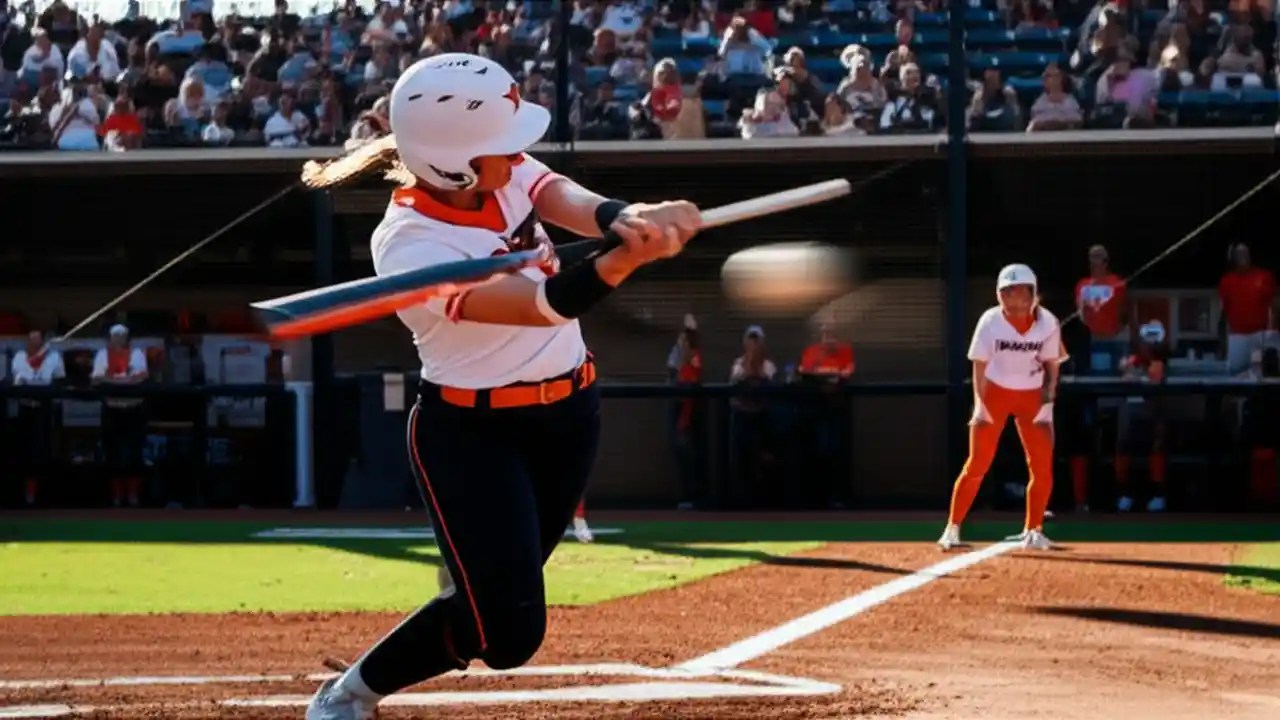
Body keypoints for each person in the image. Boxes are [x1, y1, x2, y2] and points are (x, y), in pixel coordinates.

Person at [306, 53, 700, 720]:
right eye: (501, 142)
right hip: (471, 436)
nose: (517, 152)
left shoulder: (503, 171)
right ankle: (348, 695)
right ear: (449, 161)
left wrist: (622, 216)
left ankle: (386, 664)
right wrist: (624, 259)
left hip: (570, 415)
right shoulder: (407, 244)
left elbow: (556, 193)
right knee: (511, 635)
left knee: (494, 607)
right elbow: (537, 302)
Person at [939, 264, 1063, 551]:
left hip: (1032, 395)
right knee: (977, 464)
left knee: (1042, 466)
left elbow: (1051, 367)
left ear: (1033, 294)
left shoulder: (1049, 324)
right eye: (1008, 293)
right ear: (998, 295)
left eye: (1021, 293)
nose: (1015, 300)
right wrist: (980, 405)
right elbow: (978, 366)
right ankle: (952, 528)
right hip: (995, 392)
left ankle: (1034, 529)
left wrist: (1048, 404)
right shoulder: (990, 321)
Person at [91, 324, 150, 508]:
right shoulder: (102, 354)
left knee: (134, 452)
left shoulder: (137, 353)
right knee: (112, 452)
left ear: (127, 338)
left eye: (122, 335)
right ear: (110, 338)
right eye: (115, 335)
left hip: (133, 409)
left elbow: (140, 377)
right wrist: (125, 381)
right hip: (112, 409)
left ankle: (133, 495)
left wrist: (114, 380)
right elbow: (97, 378)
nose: (118, 339)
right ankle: (116, 496)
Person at [1115, 321, 1170, 513]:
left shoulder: (1161, 363)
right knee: (1122, 448)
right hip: (1130, 413)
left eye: (1154, 345)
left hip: (1152, 412)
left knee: (1157, 446)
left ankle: (1158, 494)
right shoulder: (1130, 360)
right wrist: (1132, 369)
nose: (1150, 348)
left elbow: (1156, 375)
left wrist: (1144, 374)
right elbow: (1124, 369)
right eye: (1147, 344)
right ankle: (1124, 493)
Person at [10, 330, 66, 507]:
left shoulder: (54, 357)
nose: (34, 343)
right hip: (25, 409)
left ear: (43, 341)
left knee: (43, 451)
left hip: (45, 410)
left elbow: (58, 379)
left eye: (37, 340)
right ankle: (23, 496)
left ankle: (44, 496)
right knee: (24, 453)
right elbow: (18, 379)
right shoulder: (20, 356)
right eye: (31, 340)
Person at [1218, 243, 1276, 374]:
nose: (1243, 256)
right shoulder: (1226, 281)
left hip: (1260, 335)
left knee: (1262, 373)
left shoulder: (1264, 277)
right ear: (1233, 258)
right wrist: (1222, 344)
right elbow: (1223, 313)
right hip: (1237, 336)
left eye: (1245, 253)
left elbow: (1274, 306)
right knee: (1235, 372)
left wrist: (1272, 335)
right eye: (1239, 253)